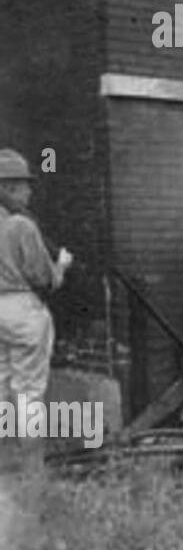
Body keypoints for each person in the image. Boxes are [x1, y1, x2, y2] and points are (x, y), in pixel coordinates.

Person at [0, 149, 74, 468]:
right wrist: (62, 265)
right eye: (25, 185)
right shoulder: (22, 225)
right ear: (11, 187)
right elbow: (43, 278)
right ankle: (30, 461)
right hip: (22, 308)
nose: (30, 192)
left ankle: (3, 458)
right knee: (29, 388)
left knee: (1, 383)